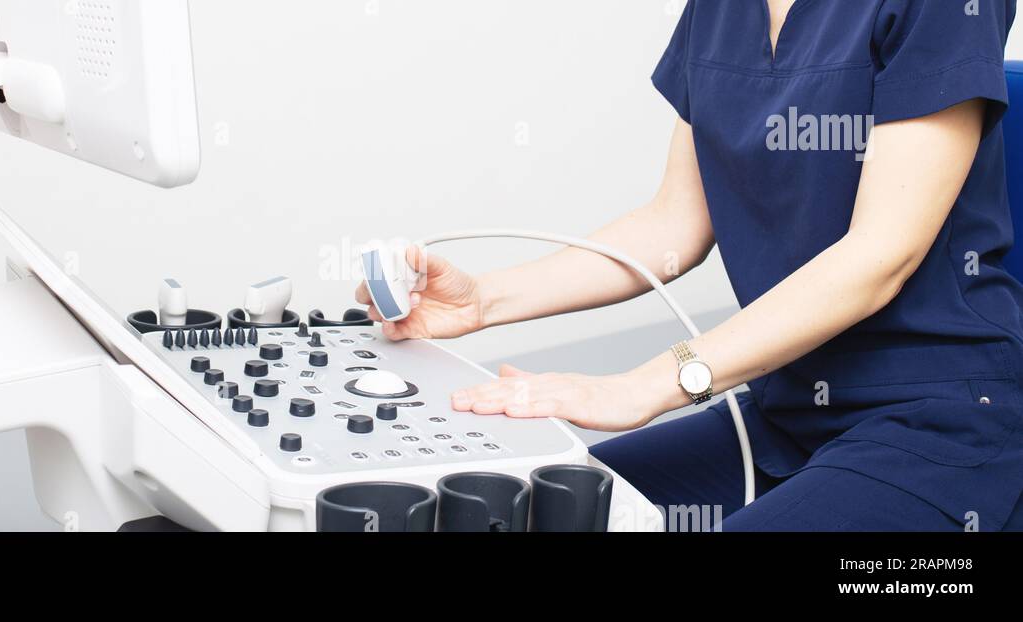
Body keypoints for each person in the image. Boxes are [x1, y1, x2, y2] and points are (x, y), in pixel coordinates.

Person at [356, 0, 1023, 531]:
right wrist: (484, 301)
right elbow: (674, 223)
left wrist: (646, 384)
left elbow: (880, 257)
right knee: (537, 514)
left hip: (935, 420)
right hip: (783, 417)